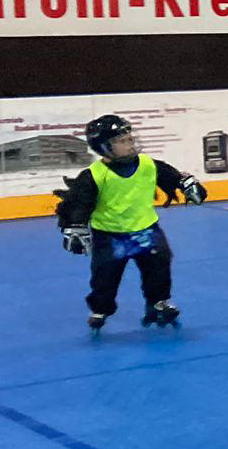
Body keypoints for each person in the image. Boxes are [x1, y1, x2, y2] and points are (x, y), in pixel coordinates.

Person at [55, 113, 207, 331]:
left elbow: (171, 176)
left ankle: (158, 302)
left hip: (146, 230)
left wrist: (186, 184)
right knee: (105, 276)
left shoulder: (147, 165)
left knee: (159, 266)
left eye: (129, 139)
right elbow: (80, 202)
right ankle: (101, 308)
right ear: (104, 148)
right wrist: (75, 225)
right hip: (109, 235)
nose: (129, 145)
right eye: (121, 142)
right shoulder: (95, 175)